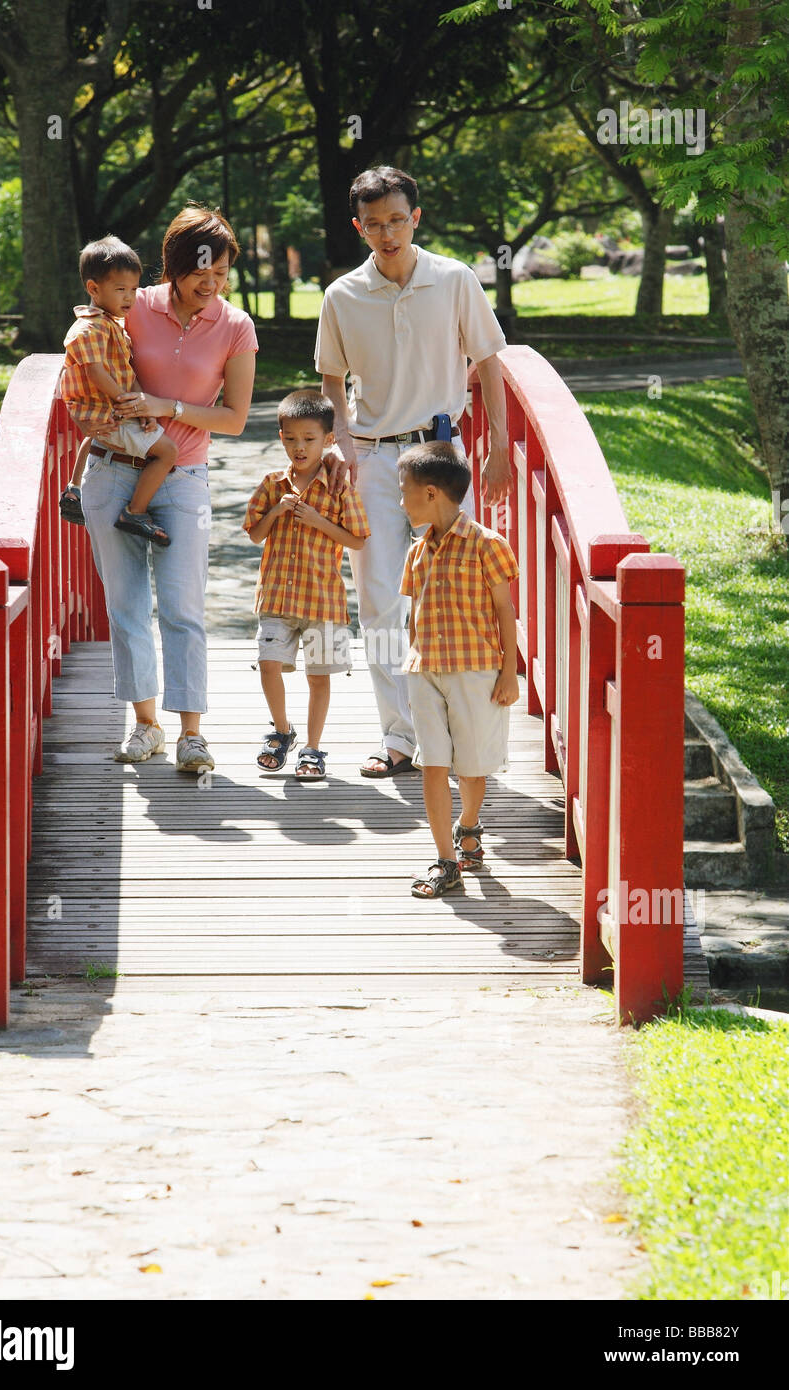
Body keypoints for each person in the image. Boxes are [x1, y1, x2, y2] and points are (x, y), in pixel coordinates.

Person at [315, 165, 513, 778]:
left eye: (397, 220)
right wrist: (342, 446)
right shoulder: (342, 295)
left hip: (442, 455)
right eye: (373, 224)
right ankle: (399, 736)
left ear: (415, 218)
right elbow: (330, 380)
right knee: (378, 601)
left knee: (458, 593)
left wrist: (500, 446)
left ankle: (458, 734)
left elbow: (488, 364)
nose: (387, 233)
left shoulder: (454, 280)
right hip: (373, 458)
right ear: (359, 227)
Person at [79, 203, 257, 772]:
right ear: (172, 267)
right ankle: (146, 726)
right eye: (200, 273)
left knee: (183, 606)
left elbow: (233, 419)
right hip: (111, 473)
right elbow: (82, 358)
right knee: (127, 606)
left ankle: (191, 734)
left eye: (222, 274)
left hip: (184, 479)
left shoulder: (235, 326)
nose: (211, 284)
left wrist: (169, 406)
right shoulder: (132, 306)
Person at [397, 443, 519, 899]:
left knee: (471, 768)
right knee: (432, 763)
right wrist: (414, 658)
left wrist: (509, 672)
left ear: (431, 493)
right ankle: (447, 861)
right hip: (425, 670)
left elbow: (505, 612)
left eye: (403, 491)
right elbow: (414, 614)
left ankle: (469, 824)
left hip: (476, 670)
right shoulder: (416, 552)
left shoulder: (488, 545)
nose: (399, 500)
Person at [243, 390, 370, 780]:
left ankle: (313, 750)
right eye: (292, 438)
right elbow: (254, 534)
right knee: (268, 665)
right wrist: (278, 511)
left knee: (319, 677)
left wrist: (318, 521)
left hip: (323, 601)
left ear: (329, 440)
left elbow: (358, 538)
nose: (300, 447)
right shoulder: (271, 484)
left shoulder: (338, 488)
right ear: (281, 437)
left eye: (310, 439)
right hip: (277, 596)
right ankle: (283, 732)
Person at [59, 236, 179, 547]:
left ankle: (75, 488)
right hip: (110, 413)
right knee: (167, 452)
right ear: (93, 289)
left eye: (134, 289)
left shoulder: (113, 326)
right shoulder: (87, 330)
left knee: (144, 440)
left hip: (120, 410)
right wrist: (127, 403)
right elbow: (95, 372)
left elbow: (128, 374)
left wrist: (145, 410)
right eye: (120, 289)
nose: (129, 297)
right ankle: (134, 512)